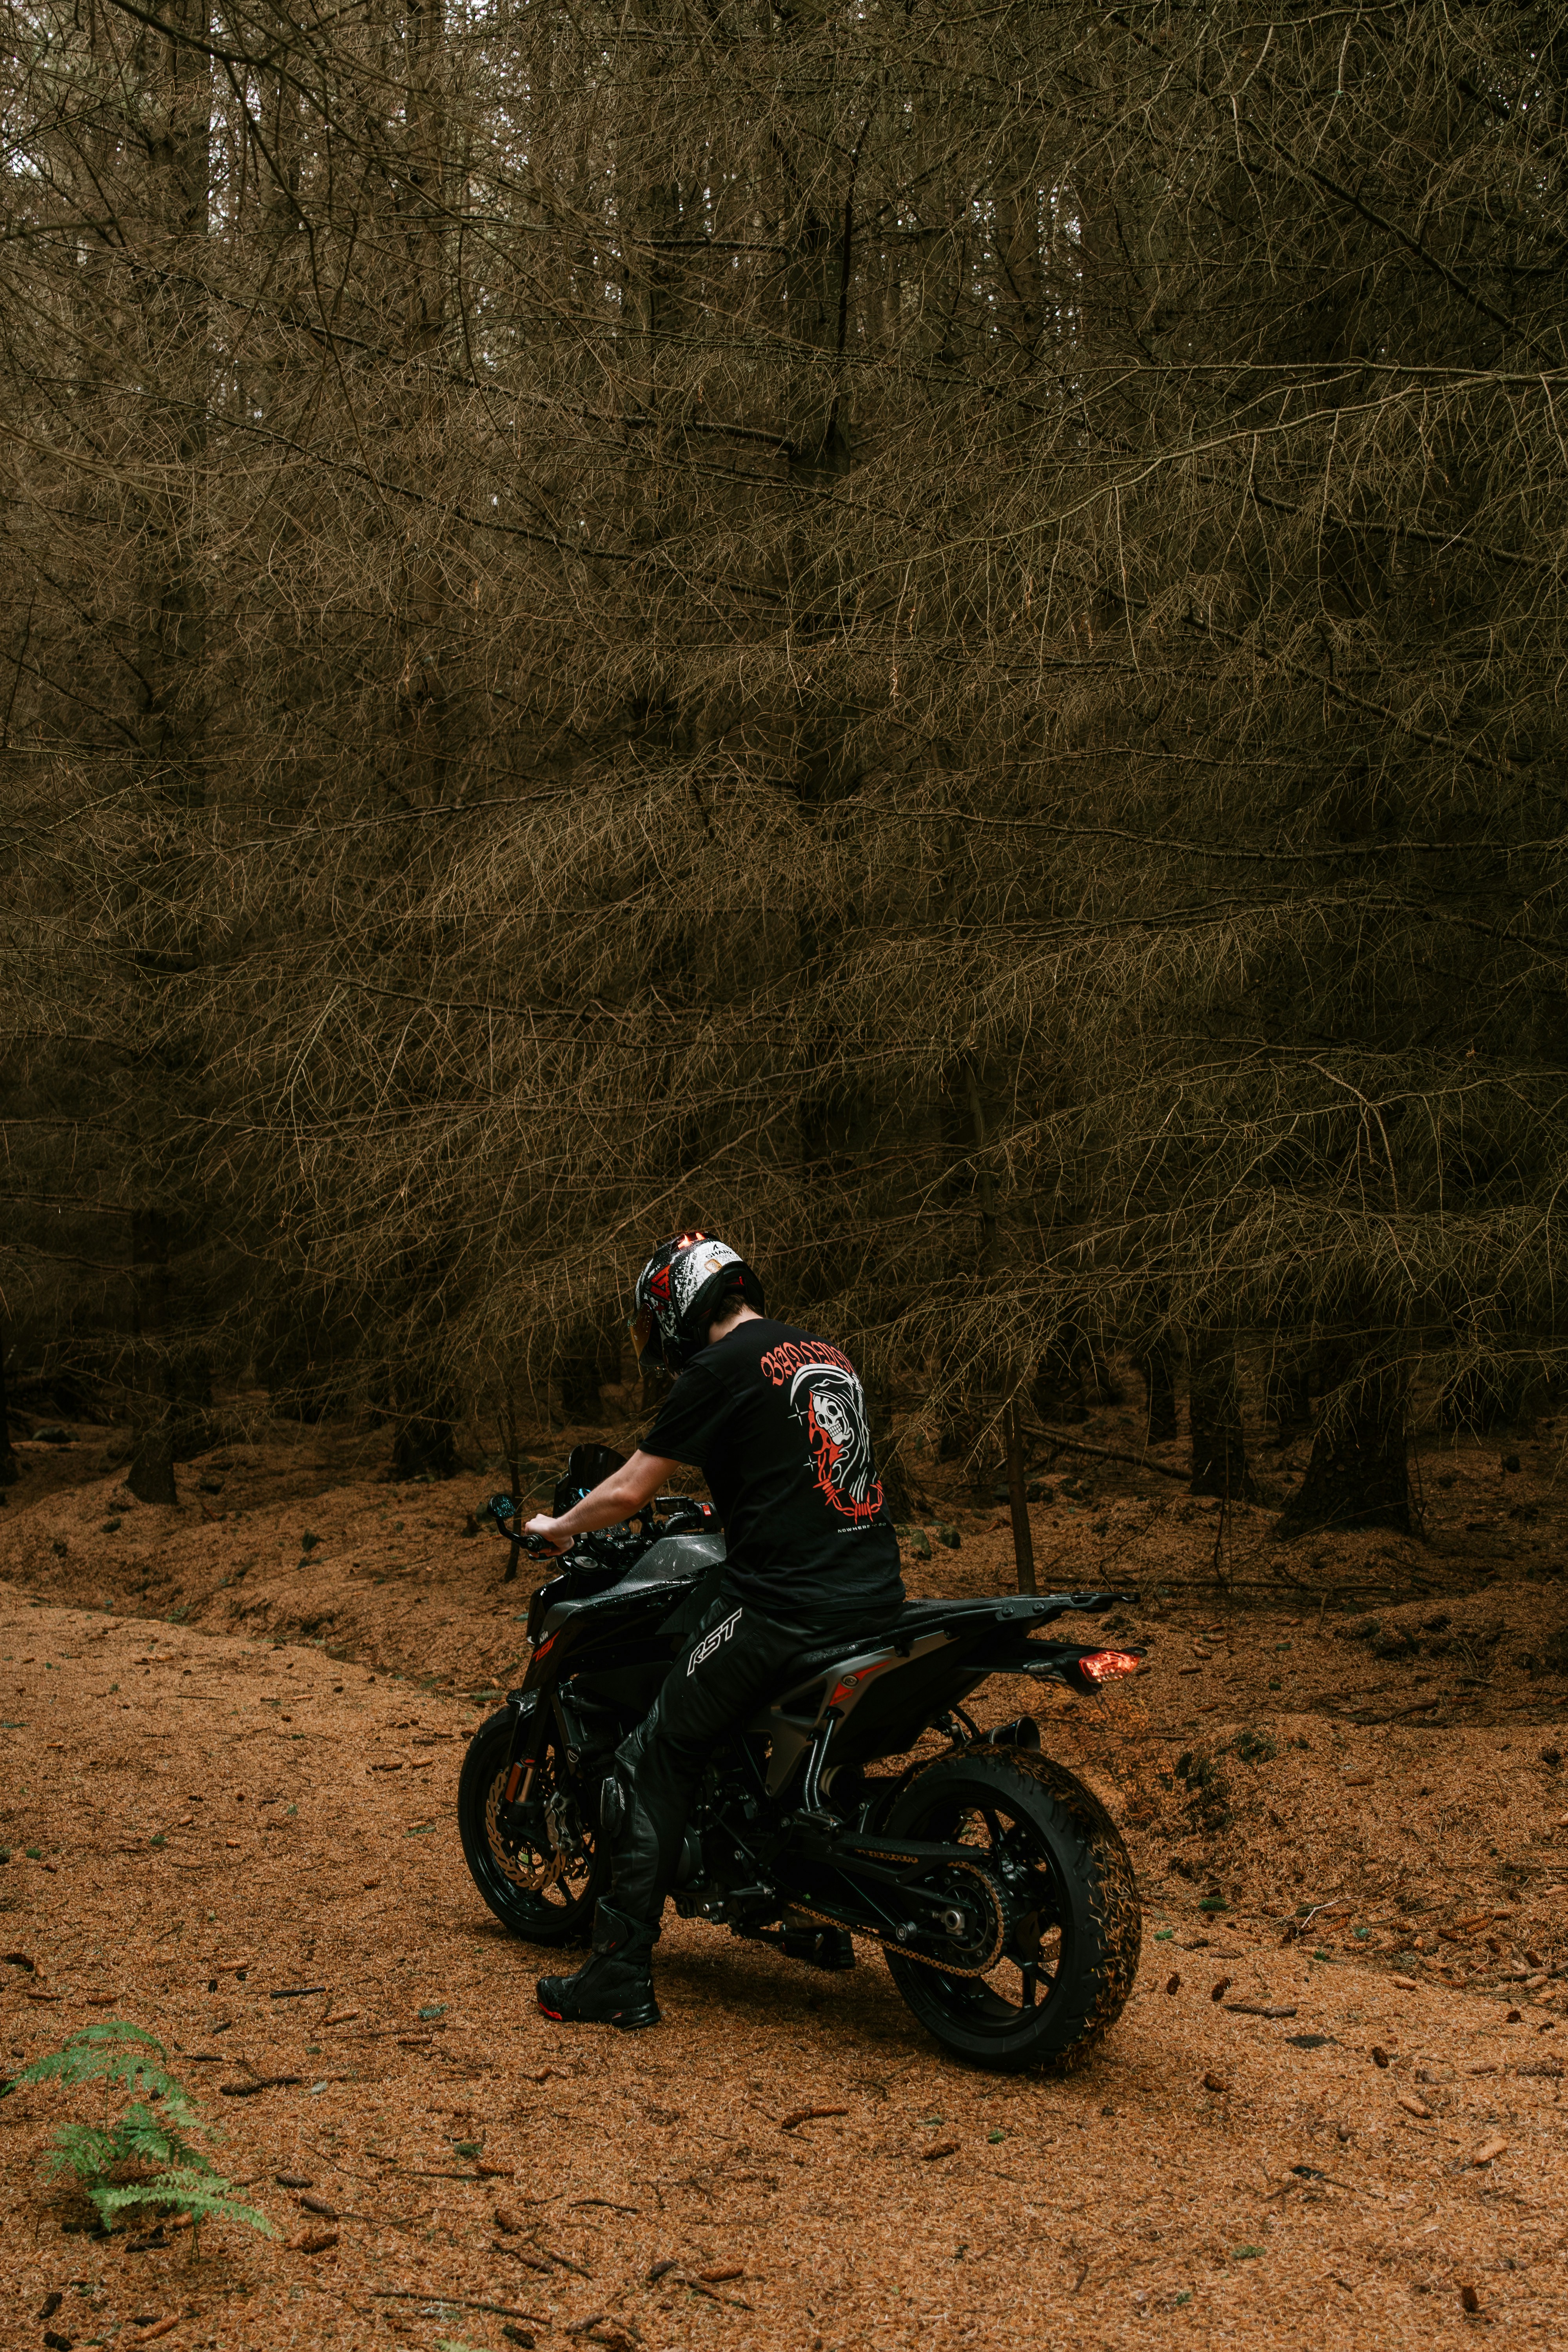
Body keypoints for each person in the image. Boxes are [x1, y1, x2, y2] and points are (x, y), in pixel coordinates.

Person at [524, 1230, 906, 2029]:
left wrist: (557, 1526)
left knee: (653, 1757)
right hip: (873, 1594)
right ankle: (813, 1919)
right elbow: (805, 1472)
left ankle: (618, 1974)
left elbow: (629, 1491)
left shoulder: (718, 1365)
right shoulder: (825, 1353)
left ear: (677, 1305)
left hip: (783, 1607)